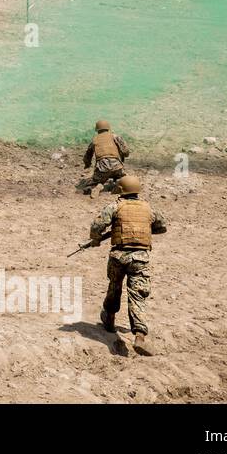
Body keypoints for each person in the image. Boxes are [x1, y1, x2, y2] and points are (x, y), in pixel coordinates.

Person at [88, 175, 166, 356]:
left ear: (121, 190)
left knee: (114, 287)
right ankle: (139, 335)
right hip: (140, 259)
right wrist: (144, 228)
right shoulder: (148, 208)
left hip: (118, 256)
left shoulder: (115, 206)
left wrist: (96, 239)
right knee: (138, 295)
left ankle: (109, 319)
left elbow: (97, 225)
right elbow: (162, 226)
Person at [78, 119, 129, 195]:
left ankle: (97, 186)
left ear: (97, 130)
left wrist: (87, 165)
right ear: (108, 128)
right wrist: (122, 156)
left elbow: (87, 156)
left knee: (95, 181)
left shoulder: (94, 140)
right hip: (117, 167)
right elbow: (125, 151)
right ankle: (119, 182)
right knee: (123, 177)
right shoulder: (115, 136)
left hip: (102, 169)